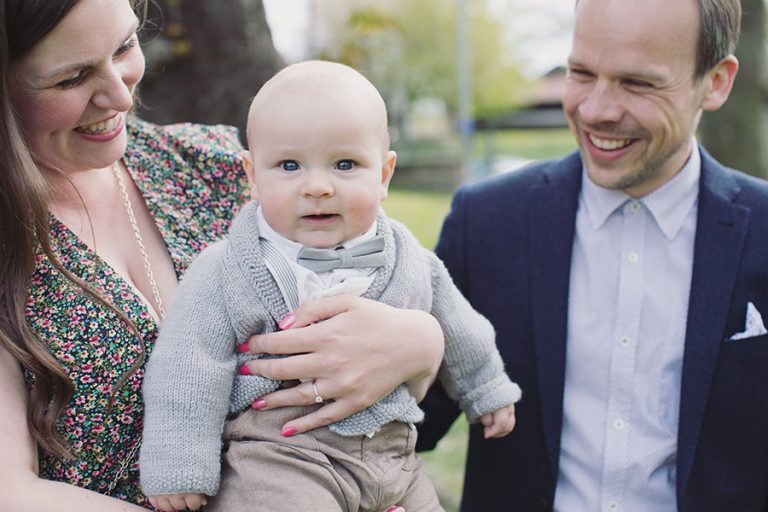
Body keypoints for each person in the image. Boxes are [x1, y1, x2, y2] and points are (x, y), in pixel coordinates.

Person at [0, 1, 445, 511]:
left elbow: (383, 286)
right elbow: (9, 491)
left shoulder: (211, 166)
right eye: (72, 78)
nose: (120, 94)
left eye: (124, 46)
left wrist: (422, 342)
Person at [417, 0, 768, 511]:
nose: (597, 109)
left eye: (638, 83)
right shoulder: (487, 223)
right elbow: (412, 423)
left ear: (715, 81)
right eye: (580, 72)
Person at [138, 60, 522, 512]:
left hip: (393, 457)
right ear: (252, 175)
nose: (317, 186)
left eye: (345, 164)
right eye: (288, 165)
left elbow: (461, 328)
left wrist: (487, 390)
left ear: (383, 175)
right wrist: (179, 467)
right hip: (281, 458)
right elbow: (187, 365)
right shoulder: (224, 269)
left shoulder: (413, 261)